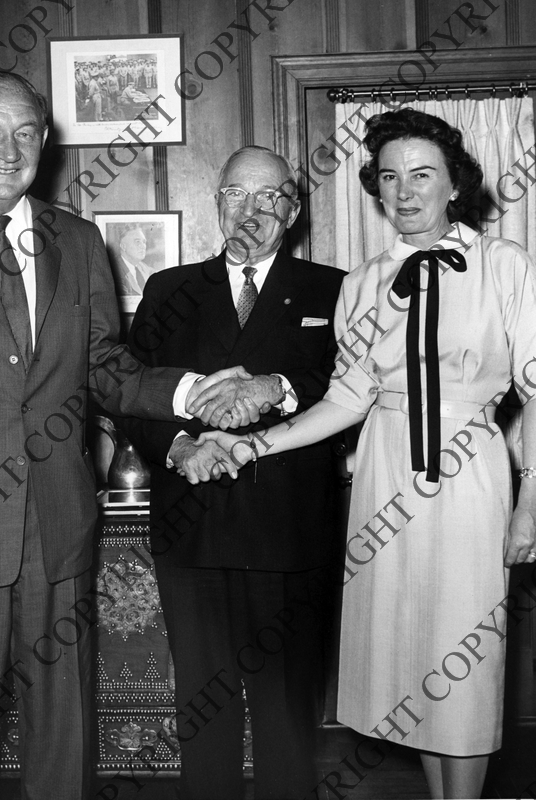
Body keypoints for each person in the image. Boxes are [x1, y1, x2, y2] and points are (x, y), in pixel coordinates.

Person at [0, 71, 259, 800]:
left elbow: (106, 366)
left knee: (64, 741)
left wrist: (190, 390)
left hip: (58, 527)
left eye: (27, 132)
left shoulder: (78, 239)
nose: (10, 148)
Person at [195, 110, 536, 800]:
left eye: (421, 175)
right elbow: (344, 401)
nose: (404, 192)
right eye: (389, 177)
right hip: (382, 481)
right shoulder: (363, 282)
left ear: (453, 186)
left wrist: (530, 497)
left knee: (462, 662)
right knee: (413, 664)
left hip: (469, 478)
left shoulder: (504, 265)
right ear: (374, 189)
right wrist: (249, 441)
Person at [122, 145, 344, 800]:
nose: (252, 210)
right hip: (193, 531)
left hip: (290, 532)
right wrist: (180, 445)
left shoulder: (333, 288)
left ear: (294, 209)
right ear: (217, 203)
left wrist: (281, 388)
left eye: (270, 195)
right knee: (203, 705)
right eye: (237, 196)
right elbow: (127, 394)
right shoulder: (168, 289)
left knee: (286, 716)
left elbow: (358, 391)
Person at [114, 226, 154, 295]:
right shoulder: (114, 270)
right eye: (137, 241)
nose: (143, 246)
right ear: (123, 246)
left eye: (144, 242)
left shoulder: (143, 267)